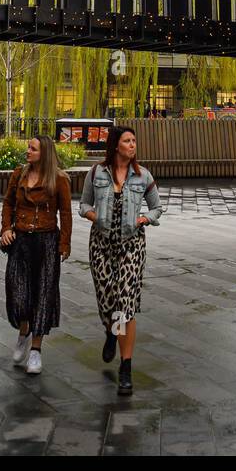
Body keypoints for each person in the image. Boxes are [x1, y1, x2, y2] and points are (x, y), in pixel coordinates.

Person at [79, 126, 162, 397]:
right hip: (101, 244)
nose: (132, 145)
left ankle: (125, 367)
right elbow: (84, 206)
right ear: (116, 145)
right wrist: (96, 218)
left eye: (134, 141)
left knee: (126, 302)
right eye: (127, 141)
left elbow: (157, 207)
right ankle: (111, 331)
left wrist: (144, 218)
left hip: (131, 245)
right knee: (106, 298)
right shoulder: (96, 173)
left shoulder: (143, 176)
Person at [0, 135, 71, 376]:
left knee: (43, 294)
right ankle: (23, 332)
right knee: (17, 292)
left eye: (33, 148)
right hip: (20, 241)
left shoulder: (59, 179)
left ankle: (36, 351)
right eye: (28, 147)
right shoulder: (19, 173)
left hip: (47, 241)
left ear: (45, 153)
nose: (27, 151)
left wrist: (64, 244)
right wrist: (6, 229)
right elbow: (8, 203)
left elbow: (66, 213)